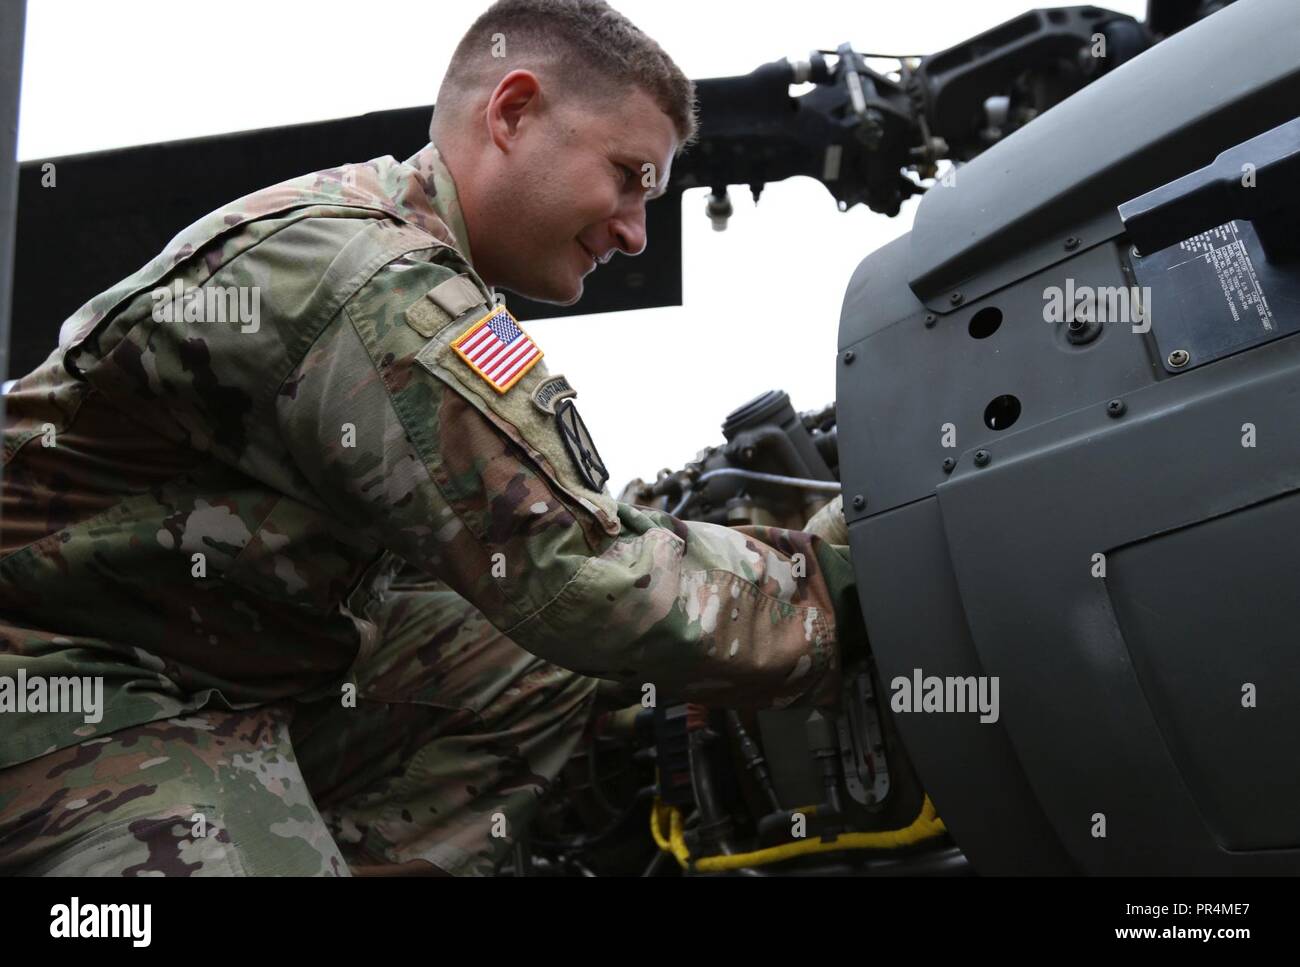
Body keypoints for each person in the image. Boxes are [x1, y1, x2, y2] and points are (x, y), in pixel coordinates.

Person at [0, 0, 859, 876]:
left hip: (232, 666)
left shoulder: (412, 268)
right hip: (68, 678)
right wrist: (844, 584)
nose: (637, 230)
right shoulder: (376, 284)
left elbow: (542, 550)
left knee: (534, 662)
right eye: (628, 177)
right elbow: (573, 566)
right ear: (513, 112)